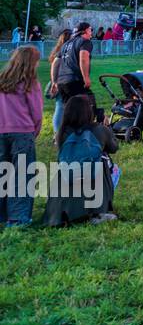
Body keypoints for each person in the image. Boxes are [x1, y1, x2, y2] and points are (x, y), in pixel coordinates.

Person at [43, 94, 119, 225]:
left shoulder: (61, 133)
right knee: (112, 167)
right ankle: (98, 210)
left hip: (61, 203)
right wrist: (107, 128)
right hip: (94, 185)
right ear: (89, 111)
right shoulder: (99, 129)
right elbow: (114, 148)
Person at [0, 46, 43, 226]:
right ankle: (18, 217)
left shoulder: (2, 81)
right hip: (23, 132)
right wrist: (35, 130)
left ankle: (2, 214)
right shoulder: (30, 83)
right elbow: (36, 112)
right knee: (22, 176)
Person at [54, 21, 96, 109]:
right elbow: (83, 58)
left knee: (69, 112)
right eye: (90, 29)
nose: (91, 32)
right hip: (74, 80)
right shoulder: (85, 41)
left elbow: (56, 63)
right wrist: (86, 78)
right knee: (88, 107)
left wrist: (55, 81)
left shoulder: (65, 44)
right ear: (85, 31)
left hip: (62, 82)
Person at [46, 27, 73, 131]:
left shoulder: (61, 49)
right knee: (60, 106)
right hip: (61, 82)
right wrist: (54, 82)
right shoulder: (63, 50)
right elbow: (54, 66)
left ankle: (62, 131)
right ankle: (57, 134)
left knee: (63, 107)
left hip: (62, 81)